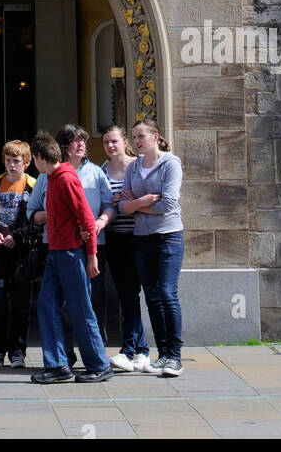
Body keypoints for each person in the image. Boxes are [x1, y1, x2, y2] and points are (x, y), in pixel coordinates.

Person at [28, 131, 112, 385]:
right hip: (56, 252)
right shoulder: (52, 178)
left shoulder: (65, 179)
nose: (34, 164)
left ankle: (99, 364)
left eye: (34, 159)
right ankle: (57, 366)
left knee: (80, 309)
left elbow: (86, 217)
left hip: (71, 254)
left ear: (40, 157)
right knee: (46, 305)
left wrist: (91, 255)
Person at [120, 119, 184, 376]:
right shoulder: (133, 168)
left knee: (168, 293)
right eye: (134, 137)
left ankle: (176, 357)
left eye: (141, 136)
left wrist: (138, 204)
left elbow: (168, 203)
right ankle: (163, 353)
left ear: (155, 136)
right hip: (141, 238)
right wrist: (143, 202)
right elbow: (123, 207)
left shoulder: (170, 163)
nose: (137, 141)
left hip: (168, 236)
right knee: (153, 297)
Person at [0, 140, 37, 369]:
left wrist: (18, 235)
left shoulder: (34, 185)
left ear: (26, 163)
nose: (12, 166)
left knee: (20, 301)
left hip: (21, 251)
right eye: (8, 161)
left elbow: (36, 218)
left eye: (16, 161)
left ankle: (18, 351)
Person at [101, 124, 151, 373]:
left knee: (136, 293)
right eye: (106, 142)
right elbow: (103, 201)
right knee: (126, 294)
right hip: (115, 239)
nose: (110, 146)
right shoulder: (102, 171)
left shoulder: (139, 165)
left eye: (114, 141)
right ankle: (139, 350)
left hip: (140, 235)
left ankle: (133, 350)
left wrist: (129, 202)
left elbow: (151, 194)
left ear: (125, 143)